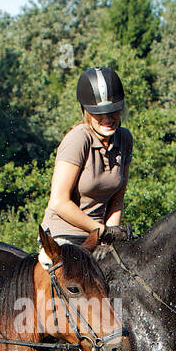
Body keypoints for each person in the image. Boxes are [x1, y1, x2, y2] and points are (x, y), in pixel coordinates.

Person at [41, 67, 134, 247]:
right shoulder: (78, 139)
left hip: (100, 236)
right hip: (64, 236)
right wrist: (102, 231)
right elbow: (59, 202)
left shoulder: (125, 139)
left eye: (113, 111)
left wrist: (111, 237)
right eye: (99, 113)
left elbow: (118, 198)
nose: (108, 118)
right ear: (85, 111)